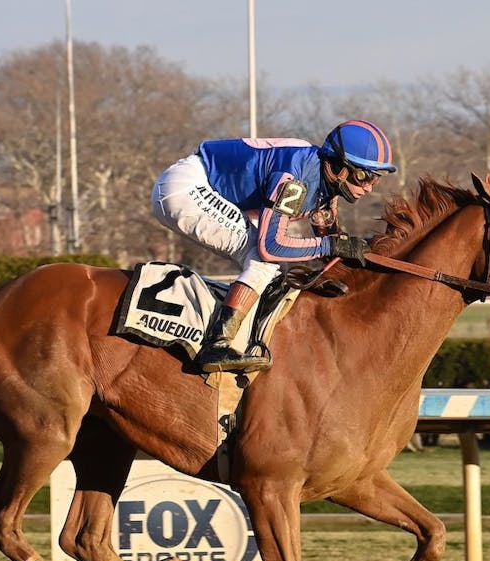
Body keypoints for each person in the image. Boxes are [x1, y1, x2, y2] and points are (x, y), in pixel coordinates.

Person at [151, 120, 396, 373]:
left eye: (375, 180)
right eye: (363, 176)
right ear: (338, 167)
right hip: (186, 188)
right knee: (263, 260)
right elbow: (272, 246)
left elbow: (332, 245)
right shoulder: (294, 179)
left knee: (278, 268)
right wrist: (331, 246)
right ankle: (216, 344)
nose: (368, 188)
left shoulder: (326, 187)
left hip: (205, 187)